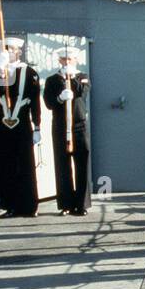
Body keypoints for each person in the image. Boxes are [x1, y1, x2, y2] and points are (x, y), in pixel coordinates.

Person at [0, 36, 41, 217]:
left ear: (19, 51)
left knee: (25, 164)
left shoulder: (30, 72)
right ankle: (10, 205)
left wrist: (37, 126)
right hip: (3, 121)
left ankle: (29, 206)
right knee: (7, 164)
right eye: (6, 49)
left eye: (11, 49)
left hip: (22, 121)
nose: (8, 52)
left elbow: (35, 101)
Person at [43, 49, 91, 215]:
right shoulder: (52, 80)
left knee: (82, 163)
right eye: (64, 59)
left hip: (79, 125)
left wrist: (70, 79)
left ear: (76, 60)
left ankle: (81, 204)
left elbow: (82, 93)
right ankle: (66, 203)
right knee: (62, 164)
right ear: (59, 61)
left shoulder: (82, 76)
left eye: (70, 59)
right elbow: (48, 102)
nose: (67, 62)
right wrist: (60, 97)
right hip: (60, 125)